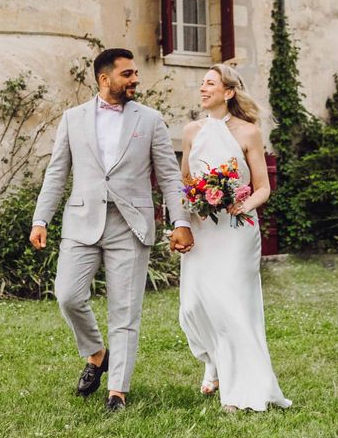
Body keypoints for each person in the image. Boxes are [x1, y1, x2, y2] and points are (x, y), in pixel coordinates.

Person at [30, 47, 193, 412]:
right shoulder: (72, 119)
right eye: (128, 74)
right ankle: (96, 353)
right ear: (105, 79)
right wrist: (41, 219)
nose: (135, 79)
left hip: (131, 226)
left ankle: (117, 390)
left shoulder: (150, 120)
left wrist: (180, 221)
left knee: (125, 309)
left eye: (135, 73)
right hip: (81, 222)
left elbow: (168, 175)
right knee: (67, 296)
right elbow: (57, 172)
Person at [179, 63, 292, 413]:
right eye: (202, 83)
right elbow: (184, 183)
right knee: (194, 306)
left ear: (228, 92)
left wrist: (243, 205)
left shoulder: (248, 133)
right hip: (203, 230)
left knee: (231, 305)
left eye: (210, 83)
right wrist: (186, 214)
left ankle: (243, 390)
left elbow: (263, 188)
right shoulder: (191, 131)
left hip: (237, 230)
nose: (203, 88)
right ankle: (213, 360)